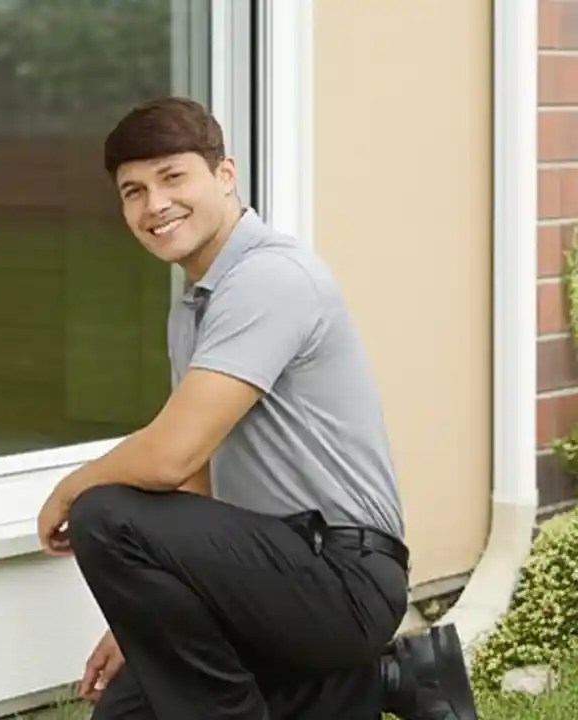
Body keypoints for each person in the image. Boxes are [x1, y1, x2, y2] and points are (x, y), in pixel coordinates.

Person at [35, 96, 478, 719]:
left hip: (341, 576)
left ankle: (350, 675)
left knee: (103, 513)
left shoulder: (269, 279)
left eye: (172, 177)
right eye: (134, 191)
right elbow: (193, 483)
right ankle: (391, 678)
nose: (154, 204)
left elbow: (170, 456)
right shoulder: (196, 305)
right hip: (270, 576)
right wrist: (146, 625)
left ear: (225, 174)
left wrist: (69, 489)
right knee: (127, 714)